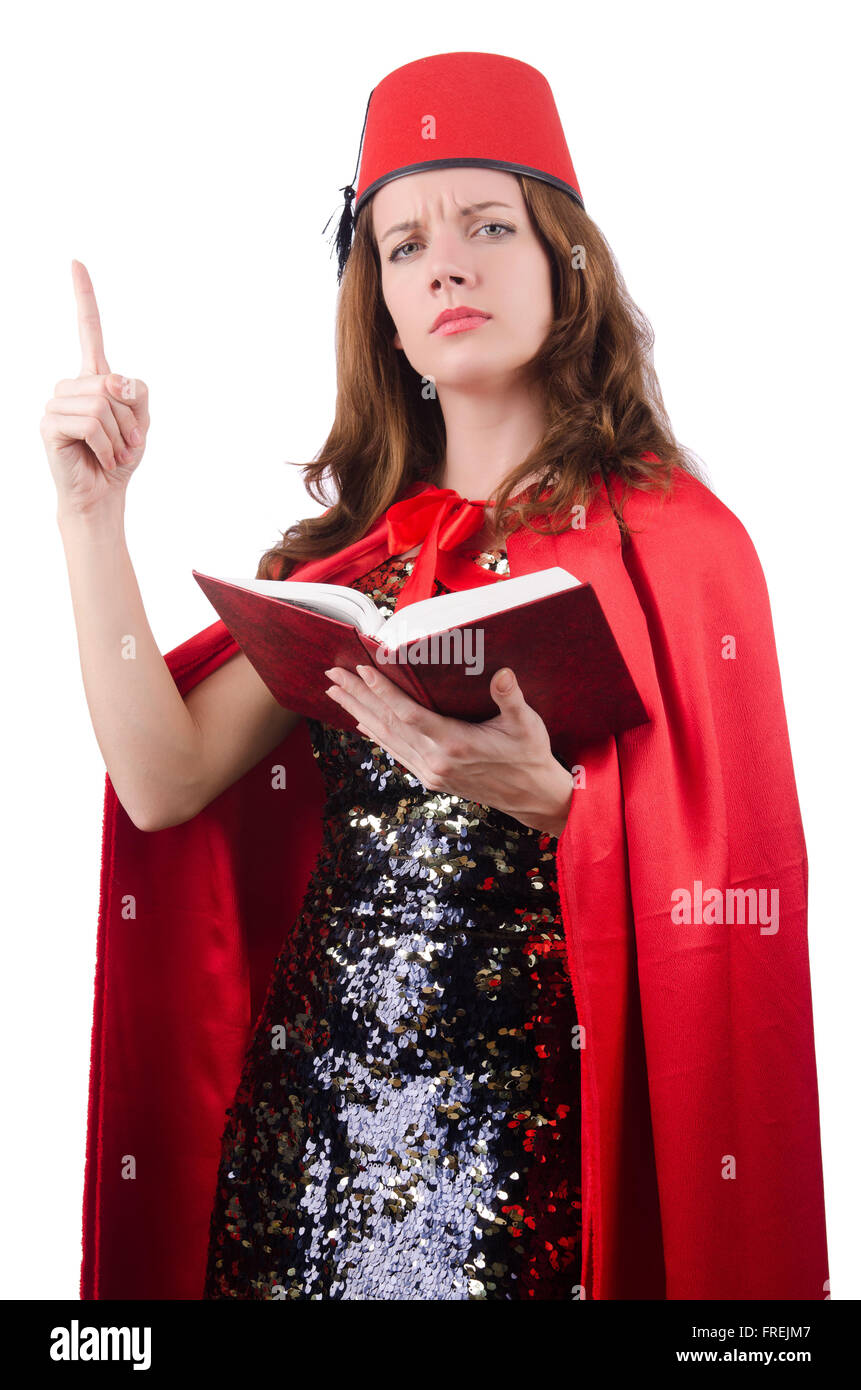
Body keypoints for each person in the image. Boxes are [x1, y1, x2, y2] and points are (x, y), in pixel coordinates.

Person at [43, 51, 829, 1301]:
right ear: (385, 310)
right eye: (403, 246)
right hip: (297, 1160)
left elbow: (741, 903)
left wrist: (561, 808)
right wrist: (93, 516)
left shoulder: (684, 550)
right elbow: (162, 778)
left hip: (535, 1185)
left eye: (486, 225)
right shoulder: (349, 570)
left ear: (567, 266)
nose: (446, 263)